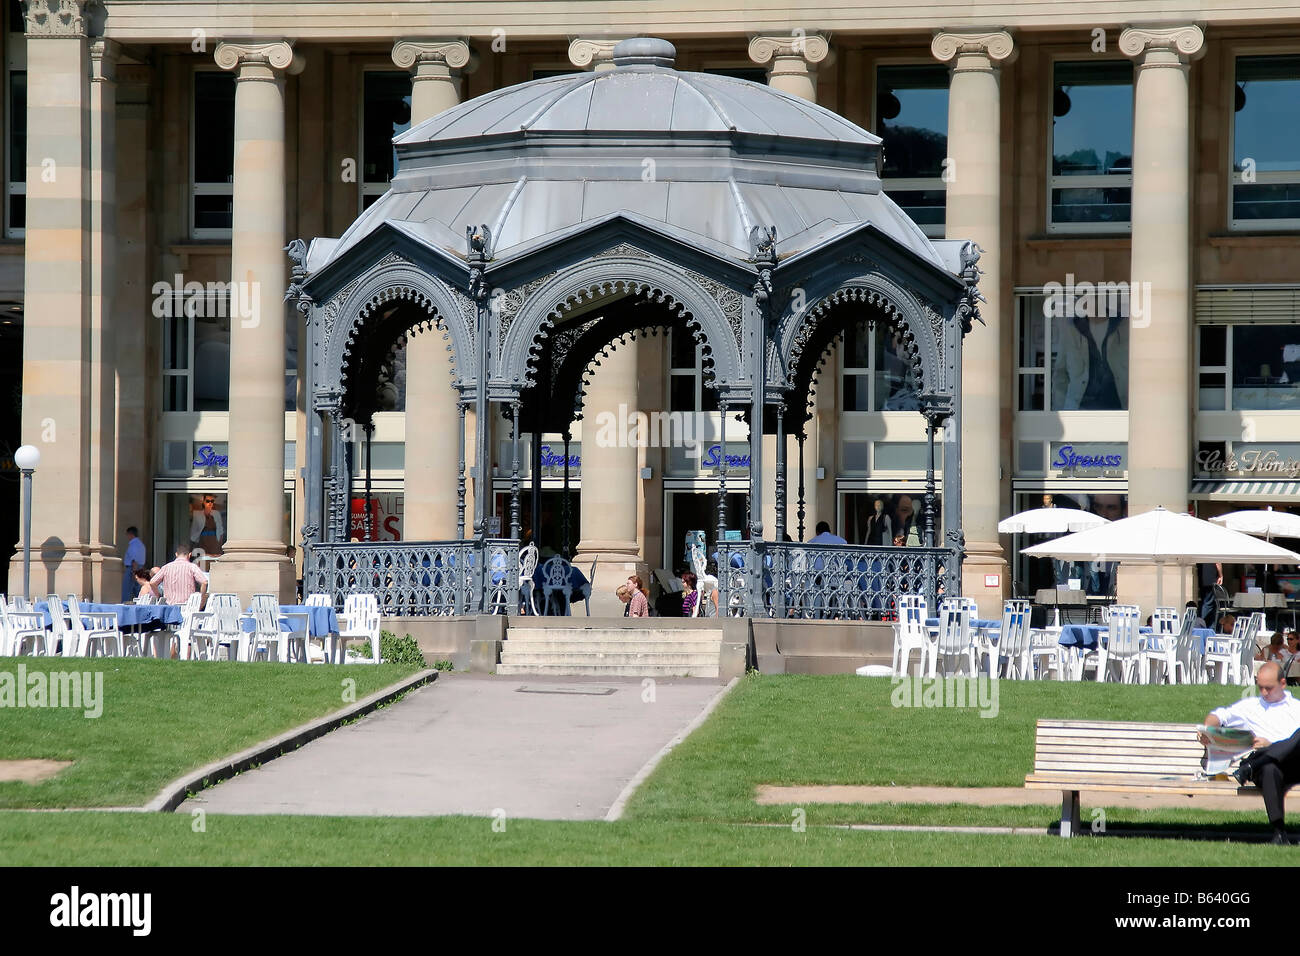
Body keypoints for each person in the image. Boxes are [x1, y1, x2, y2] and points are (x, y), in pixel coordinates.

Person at [1200, 662, 1300, 844]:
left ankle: (1251, 766)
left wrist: (1271, 744)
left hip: (1295, 765)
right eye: (1260, 687)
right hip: (1268, 769)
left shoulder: (1296, 708)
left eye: (1269, 688)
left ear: (1283, 683)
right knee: (1270, 768)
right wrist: (1207, 729)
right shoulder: (1250, 707)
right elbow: (1220, 716)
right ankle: (1279, 833)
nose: (1264, 693)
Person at [121, 526, 146, 602]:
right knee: (138, 590)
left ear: (130, 534)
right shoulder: (141, 544)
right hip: (140, 568)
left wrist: (134, 573)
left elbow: (134, 560)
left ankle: (125, 605)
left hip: (132, 568)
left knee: (127, 590)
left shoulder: (134, 545)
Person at [1198, 561, 1224, 628]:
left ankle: (1205, 625)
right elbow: (1218, 561)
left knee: (1206, 603)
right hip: (1210, 578)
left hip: (1202, 578)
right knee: (1208, 604)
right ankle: (1203, 625)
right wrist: (1221, 575)